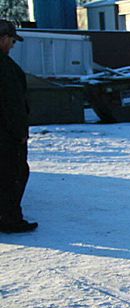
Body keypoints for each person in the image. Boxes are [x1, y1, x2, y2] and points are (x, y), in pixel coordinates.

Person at [0, 19, 36, 233]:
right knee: (14, 174)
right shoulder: (5, 67)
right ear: (3, 39)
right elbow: (12, 103)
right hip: (6, 135)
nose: (12, 46)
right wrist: (21, 132)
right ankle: (10, 218)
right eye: (12, 41)